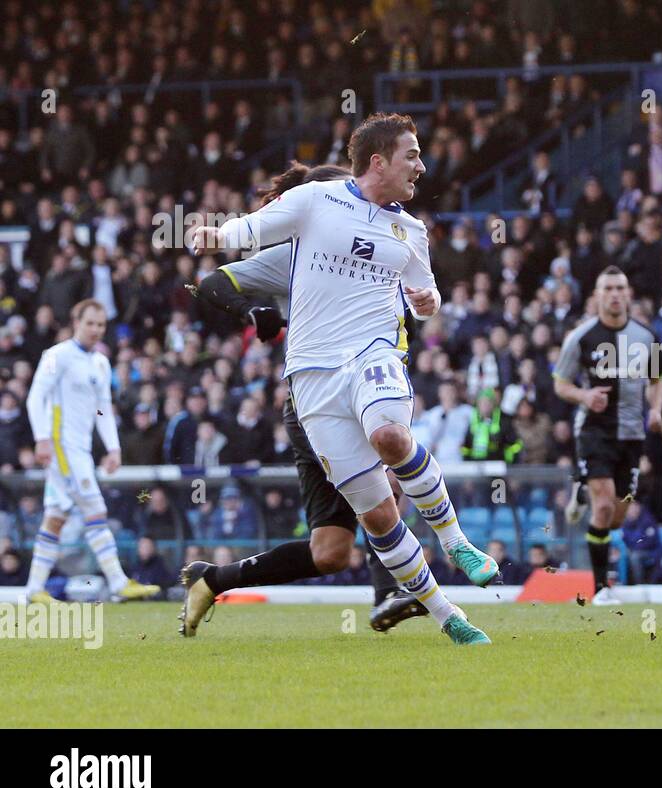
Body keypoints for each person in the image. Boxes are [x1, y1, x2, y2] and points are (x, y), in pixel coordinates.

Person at [190, 115, 494, 645]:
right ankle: (446, 615)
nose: (421, 166)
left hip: (372, 356)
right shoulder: (314, 207)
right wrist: (221, 237)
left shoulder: (410, 229)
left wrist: (428, 303)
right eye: (412, 156)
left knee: (390, 438)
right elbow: (247, 237)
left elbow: (427, 295)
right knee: (362, 526)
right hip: (310, 379)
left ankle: (454, 543)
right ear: (378, 162)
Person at [186, 161, 427, 635]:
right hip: (316, 398)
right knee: (387, 476)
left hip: (358, 388)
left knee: (330, 552)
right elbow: (212, 283)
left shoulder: (383, 244)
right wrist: (254, 310)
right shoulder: (300, 253)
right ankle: (389, 595)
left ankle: (212, 580)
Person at [23, 299, 158, 603]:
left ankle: (34, 589)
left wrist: (113, 448)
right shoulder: (56, 356)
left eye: (101, 325)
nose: (96, 330)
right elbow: (35, 398)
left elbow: (103, 410)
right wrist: (42, 438)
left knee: (56, 516)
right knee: (95, 509)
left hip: (81, 449)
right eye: (90, 323)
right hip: (61, 445)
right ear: (76, 321)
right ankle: (117, 581)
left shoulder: (100, 362)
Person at [553, 267, 662, 605]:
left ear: (628, 294)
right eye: (608, 288)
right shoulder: (580, 337)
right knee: (604, 507)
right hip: (594, 430)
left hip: (631, 434)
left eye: (620, 287)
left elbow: (657, 380)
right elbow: (561, 383)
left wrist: (656, 411)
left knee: (616, 516)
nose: (615, 294)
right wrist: (585, 397)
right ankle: (601, 589)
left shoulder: (647, 337)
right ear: (598, 296)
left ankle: (583, 493)